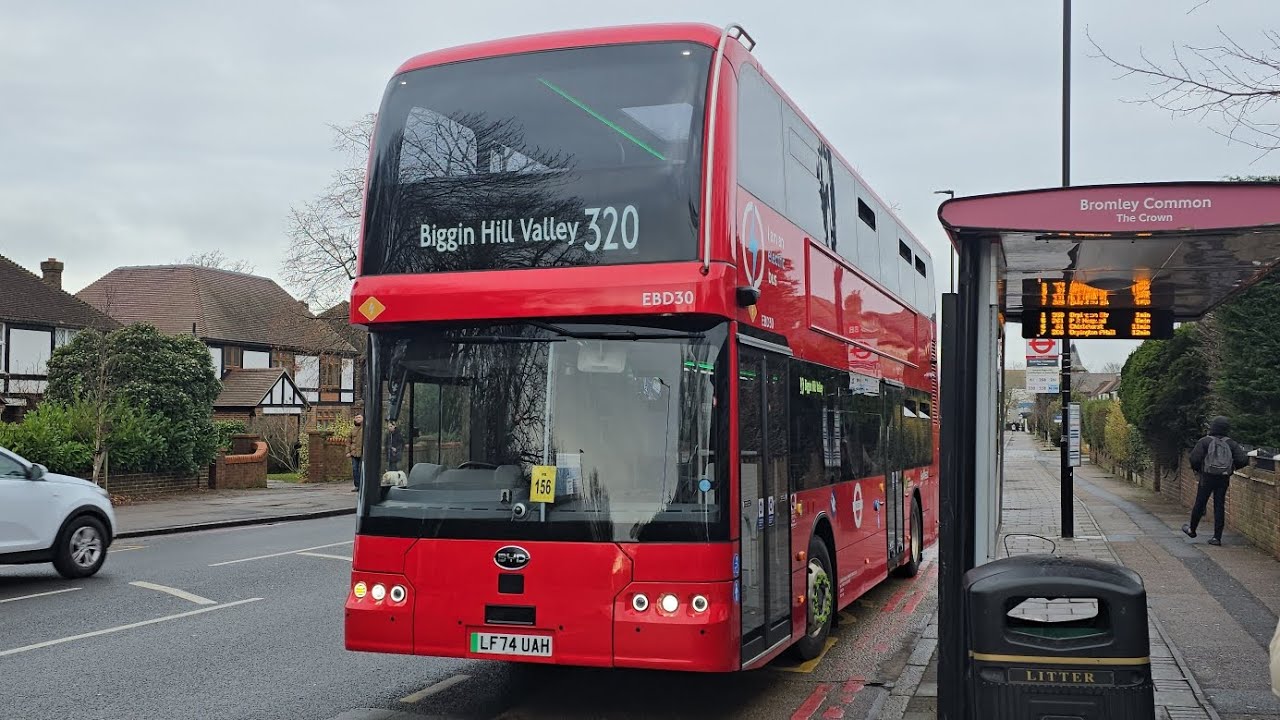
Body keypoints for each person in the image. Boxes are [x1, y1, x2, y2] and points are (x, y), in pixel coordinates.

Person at [1182, 415, 1248, 545]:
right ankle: (1217, 537)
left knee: (1200, 503)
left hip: (1206, 476)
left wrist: (1198, 470)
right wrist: (1231, 469)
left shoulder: (1205, 441)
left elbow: (1194, 459)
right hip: (1223, 478)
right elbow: (1243, 460)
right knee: (1219, 505)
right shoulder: (1231, 443)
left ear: (1213, 427)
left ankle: (1192, 530)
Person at [347, 414, 364, 492]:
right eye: (356, 417)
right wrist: (348, 451)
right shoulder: (352, 430)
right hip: (354, 452)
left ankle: (362, 485)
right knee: (355, 469)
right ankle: (357, 485)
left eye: (359, 417)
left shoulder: (365, 429)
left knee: (361, 469)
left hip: (362, 452)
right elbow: (348, 442)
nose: (357, 419)